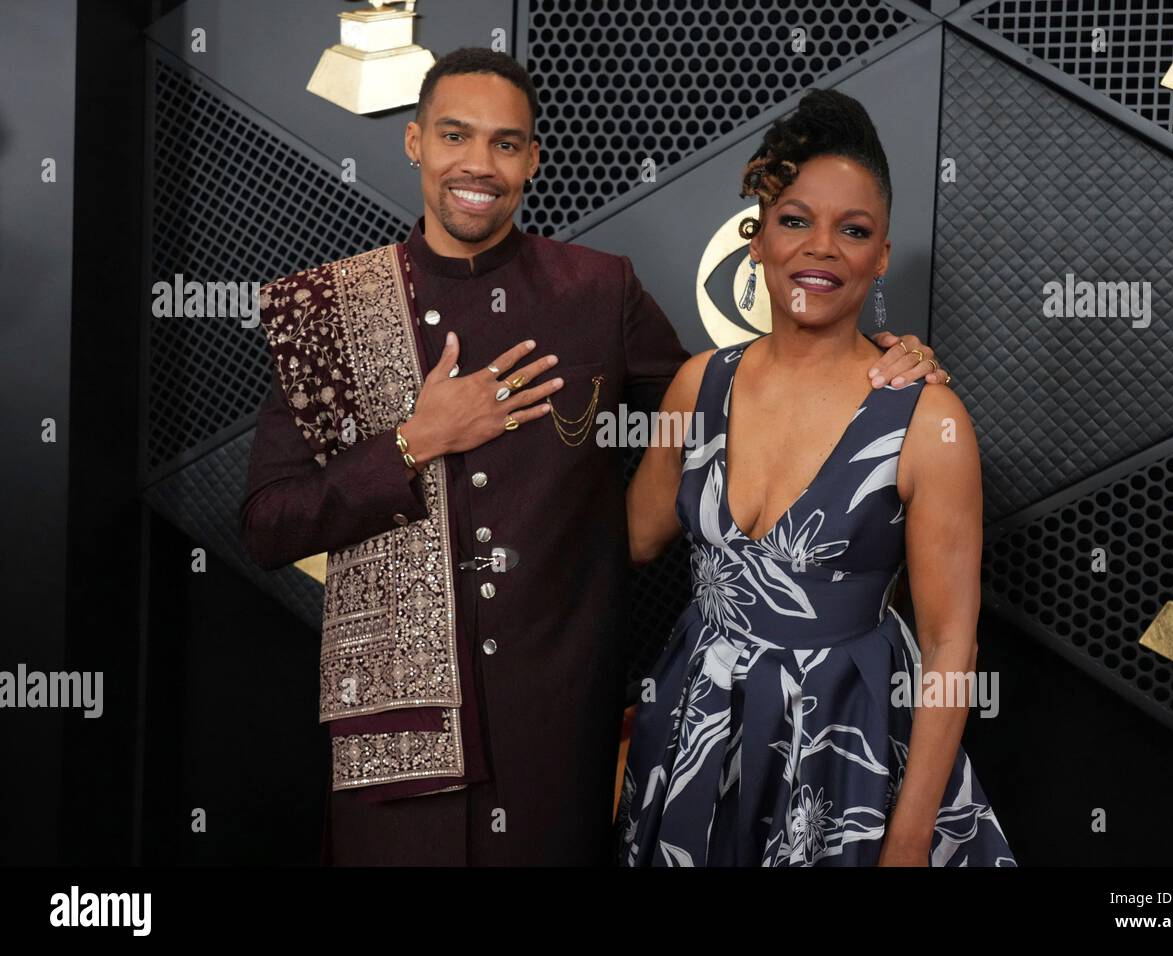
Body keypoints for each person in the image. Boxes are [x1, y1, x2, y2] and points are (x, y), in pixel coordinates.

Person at [241, 49, 952, 865]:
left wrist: (892, 362)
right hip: (396, 739)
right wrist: (412, 443)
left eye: (507, 143)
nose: (479, 164)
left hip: (553, 736)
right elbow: (267, 526)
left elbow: (738, 398)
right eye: (454, 136)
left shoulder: (596, 293)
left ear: (534, 159)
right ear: (413, 143)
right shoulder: (325, 310)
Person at [617, 89, 1015, 867]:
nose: (822, 248)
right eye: (795, 220)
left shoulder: (929, 423)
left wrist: (904, 839)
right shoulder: (697, 387)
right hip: (694, 725)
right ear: (756, 240)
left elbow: (947, 644)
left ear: (881, 255)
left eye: (853, 230)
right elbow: (633, 537)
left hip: (845, 746)